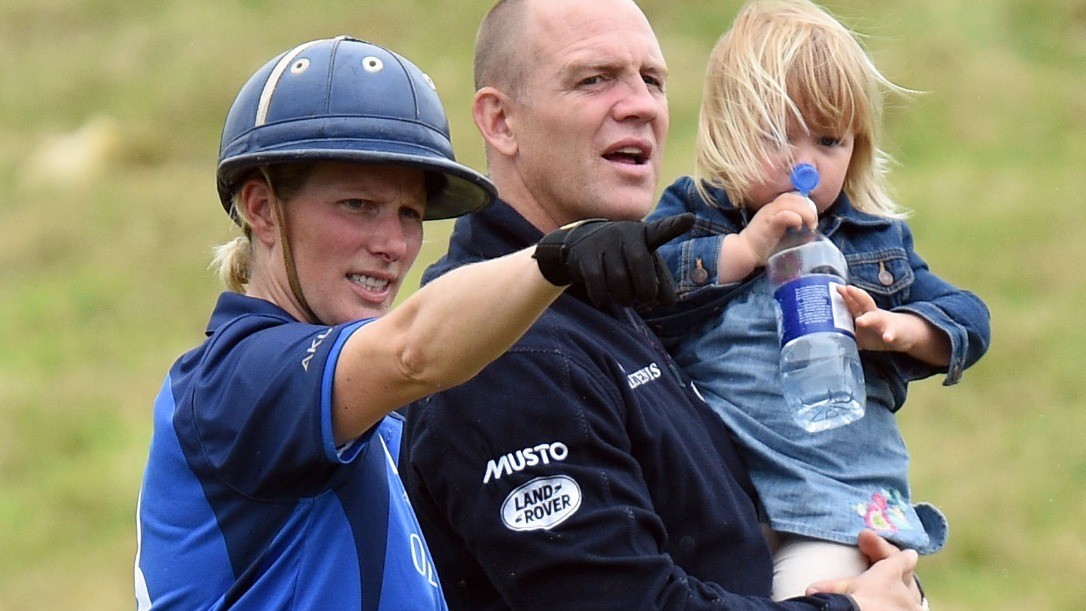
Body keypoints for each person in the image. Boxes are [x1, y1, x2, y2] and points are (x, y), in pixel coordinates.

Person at [400, 1, 928, 609]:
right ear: (500, 121)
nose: (640, 105)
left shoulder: (605, 295)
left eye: (652, 80)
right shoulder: (506, 351)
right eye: (593, 79)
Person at [132, 35, 691, 609]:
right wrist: (555, 258)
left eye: (409, 214)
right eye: (358, 206)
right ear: (261, 208)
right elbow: (411, 353)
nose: (393, 244)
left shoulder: (373, 414)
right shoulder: (238, 380)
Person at [643, 0, 991, 600]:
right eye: (779, 135)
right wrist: (745, 249)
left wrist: (900, 330)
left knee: (815, 596)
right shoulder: (694, 219)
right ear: (727, 128)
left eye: (829, 140)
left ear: (855, 149)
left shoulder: (870, 241)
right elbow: (642, 296)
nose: (803, 162)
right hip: (722, 505)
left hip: (837, 507)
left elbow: (970, 319)